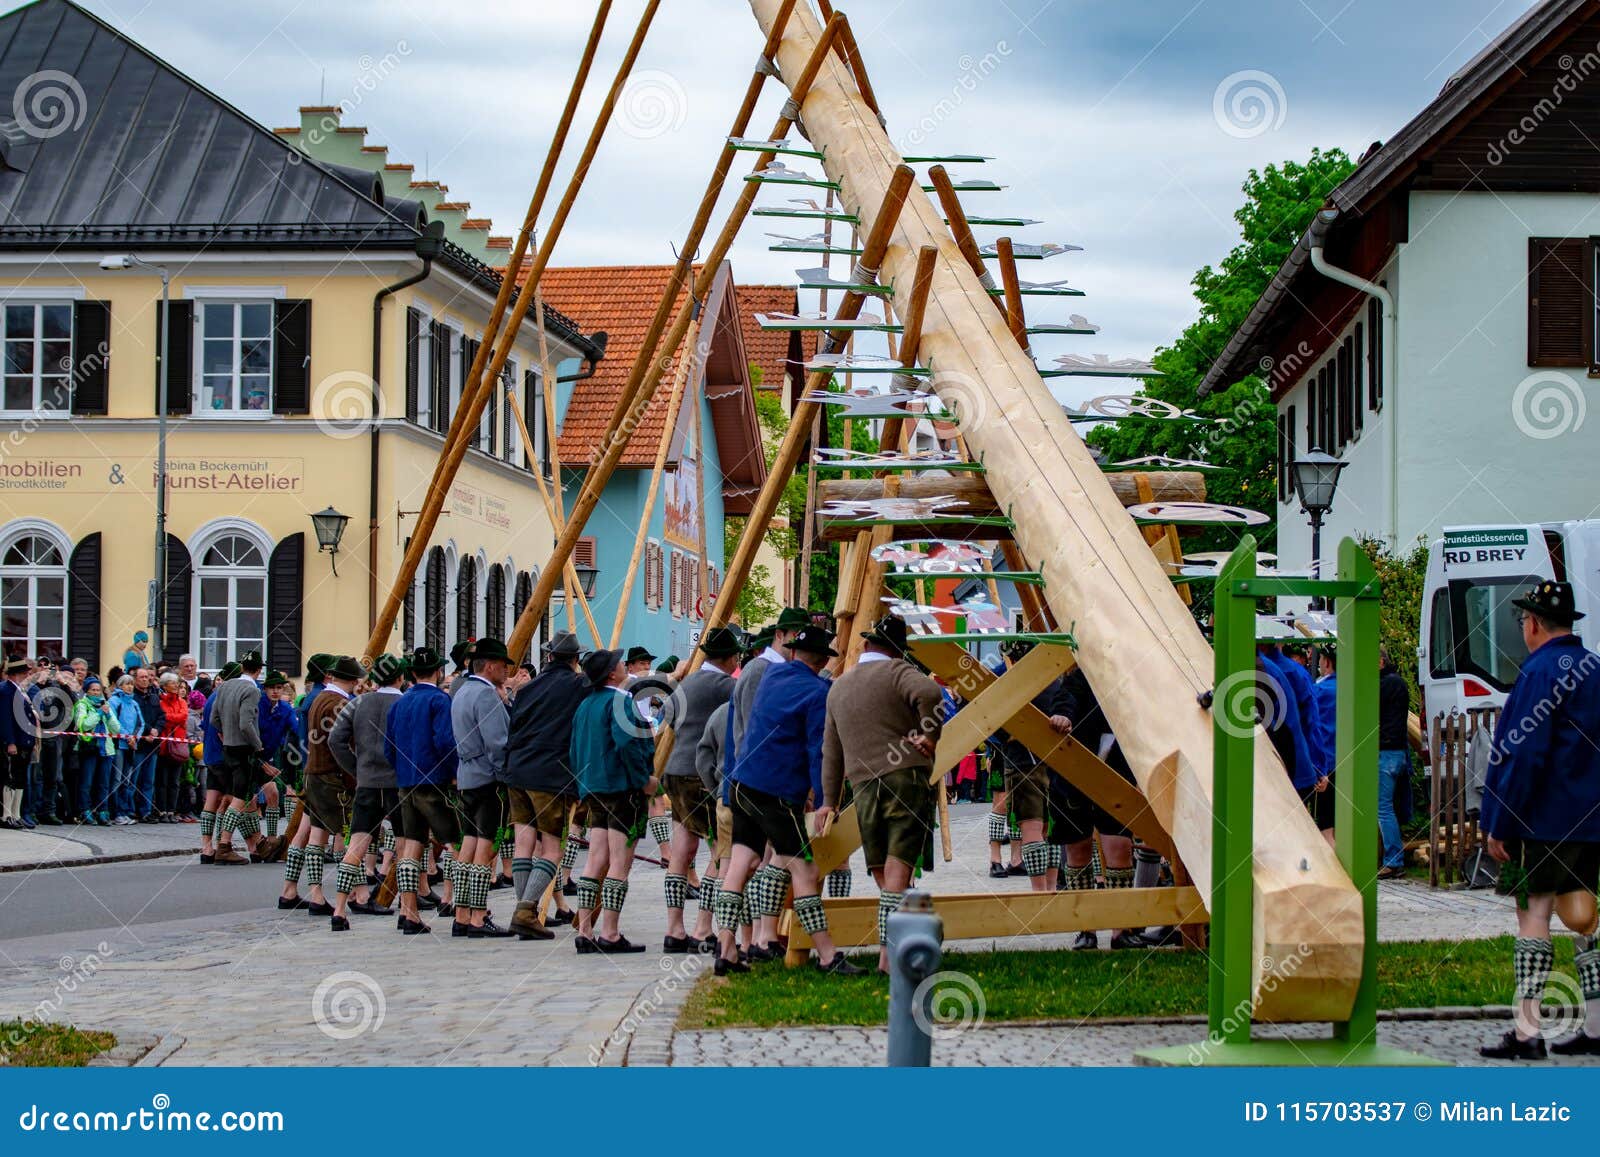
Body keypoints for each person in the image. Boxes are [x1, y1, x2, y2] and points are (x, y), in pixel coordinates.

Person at [1476, 582, 1600, 1059]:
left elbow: (1523, 756)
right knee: (1586, 920)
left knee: (1534, 918)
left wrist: (1500, 822)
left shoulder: (1538, 673)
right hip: (1589, 821)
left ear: (1531, 624)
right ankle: (1594, 1025)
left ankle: (1528, 1032)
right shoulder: (1593, 669)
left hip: (1543, 820)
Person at [719, 625, 862, 976]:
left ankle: (726, 952)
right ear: (821, 659)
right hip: (775, 792)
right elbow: (819, 751)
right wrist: (828, 798)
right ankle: (828, 956)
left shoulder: (772, 676)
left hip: (742, 781)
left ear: (796, 652)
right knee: (805, 869)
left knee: (740, 865)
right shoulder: (817, 693)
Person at [821, 615, 942, 972]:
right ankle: (890, 958)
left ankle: (896, 947)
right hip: (905, 775)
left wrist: (829, 800)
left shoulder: (838, 686)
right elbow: (932, 693)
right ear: (896, 649)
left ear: (867, 644)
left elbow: (831, 751)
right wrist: (929, 735)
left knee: (880, 868)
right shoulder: (898, 672)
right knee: (899, 865)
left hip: (863, 784)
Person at [659, 626, 740, 953]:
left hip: (674, 771)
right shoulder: (727, 686)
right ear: (732, 657)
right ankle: (702, 927)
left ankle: (674, 929)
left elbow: (667, 716)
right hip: (702, 773)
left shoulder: (684, 683)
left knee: (681, 854)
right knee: (720, 852)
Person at [503, 631, 588, 940]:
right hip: (552, 774)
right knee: (553, 849)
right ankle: (525, 910)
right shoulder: (579, 686)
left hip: (518, 770)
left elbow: (513, 729)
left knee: (523, 844)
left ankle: (522, 910)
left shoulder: (527, 688)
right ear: (576, 659)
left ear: (549, 656)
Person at [569, 648, 655, 954]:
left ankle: (585, 930)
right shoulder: (620, 701)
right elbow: (628, 742)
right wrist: (643, 778)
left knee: (595, 860)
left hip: (593, 788)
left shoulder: (585, 705)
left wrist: (583, 784)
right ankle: (611, 932)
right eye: (619, 664)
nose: (623, 666)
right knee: (620, 862)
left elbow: (575, 750)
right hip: (622, 790)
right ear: (611, 674)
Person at [385, 647, 461, 935]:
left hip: (405, 782)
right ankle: (454, 902)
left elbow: (388, 746)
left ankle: (408, 911)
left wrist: (402, 770)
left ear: (411, 673)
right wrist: (453, 773)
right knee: (455, 843)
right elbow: (445, 741)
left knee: (412, 846)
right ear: (438, 671)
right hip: (434, 780)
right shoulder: (440, 700)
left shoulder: (400, 703)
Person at [326, 654, 406, 931]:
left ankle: (338, 910)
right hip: (399, 784)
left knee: (355, 848)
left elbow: (335, 739)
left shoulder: (357, 703)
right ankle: (408, 911)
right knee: (405, 848)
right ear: (400, 678)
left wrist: (356, 768)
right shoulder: (404, 703)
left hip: (367, 782)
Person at [449, 638, 514, 938]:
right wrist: (506, 776)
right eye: (503, 666)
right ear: (489, 666)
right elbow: (497, 743)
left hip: (466, 776)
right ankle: (478, 916)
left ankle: (461, 914)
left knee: (468, 846)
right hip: (488, 778)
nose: (506, 671)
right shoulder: (486, 695)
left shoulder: (462, 691)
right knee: (486, 849)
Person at [298, 656, 363, 911]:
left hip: (313, 772)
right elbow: (342, 745)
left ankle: (316, 894)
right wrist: (353, 776)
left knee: (317, 835)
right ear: (353, 680)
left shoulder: (319, 698)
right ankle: (357, 894)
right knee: (349, 835)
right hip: (331, 776)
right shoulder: (339, 703)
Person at [209, 652, 282, 864]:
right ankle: (224, 846)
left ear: (243, 667)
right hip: (243, 749)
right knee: (240, 798)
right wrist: (258, 747)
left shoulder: (224, 686)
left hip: (227, 748)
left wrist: (226, 732)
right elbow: (245, 723)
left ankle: (259, 844)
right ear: (259, 670)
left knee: (239, 795)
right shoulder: (252, 690)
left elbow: (214, 719)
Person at [1377, 647, 1412, 878]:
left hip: (1387, 752)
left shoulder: (1385, 685)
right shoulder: (1397, 683)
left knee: (1383, 808)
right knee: (1390, 807)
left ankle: (1393, 860)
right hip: (1398, 751)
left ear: (1379, 662)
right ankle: (1391, 858)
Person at [70, 677, 119, 825]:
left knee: (104, 783)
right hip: (89, 749)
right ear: (87, 690)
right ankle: (85, 810)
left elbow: (116, 729)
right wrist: (98, 713)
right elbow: (83, 725)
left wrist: (108, 714)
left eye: (98, 690)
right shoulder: (82, 705)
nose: (96, 693)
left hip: (106, 749)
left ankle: (103, 810)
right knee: (87, 782)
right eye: (93, 690)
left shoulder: (106, 705)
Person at [0, 659, 35, 828]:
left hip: (24, 741)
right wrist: (10, 742)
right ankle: (6, 815)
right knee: (10, 777)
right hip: (15, 742)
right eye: (25, 673)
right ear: (17, 674)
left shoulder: (19, 690)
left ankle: (16, 813)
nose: (27, 675)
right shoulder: (6, 690)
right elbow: (6, 719)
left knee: (20, 778)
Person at [128, 666, 163, 822]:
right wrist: (148, 730)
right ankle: (130, 810)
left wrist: (157, 729)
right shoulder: (132, 698)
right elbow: (136, 718)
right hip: (139, 743)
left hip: (152, 745)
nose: (145, 680)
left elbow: (162, 715)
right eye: (142, 677)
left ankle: (146, 811)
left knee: (149, 781)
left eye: (147, 677)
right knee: (133, 779)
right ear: (135, 679)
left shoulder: (154, 696)